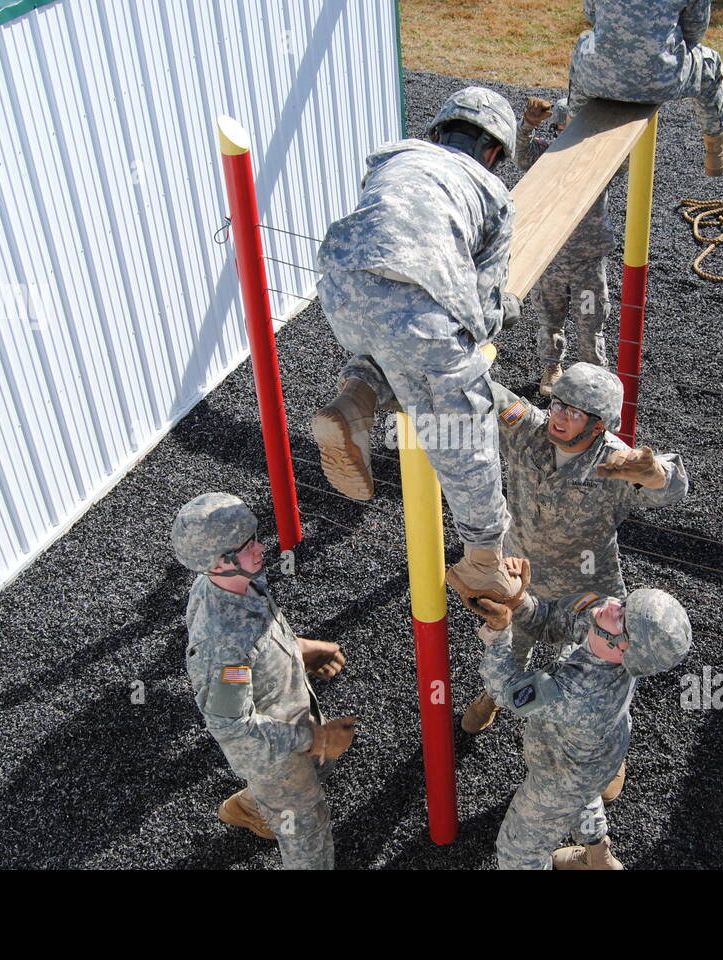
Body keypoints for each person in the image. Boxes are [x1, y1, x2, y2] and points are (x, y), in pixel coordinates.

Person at [311, 86, 526, 603]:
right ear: (494, 152)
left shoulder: (394, 156)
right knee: (463, 431)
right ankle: (483, 563)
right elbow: (484, 306)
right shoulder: (493, 194)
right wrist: (507, 309)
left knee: (388, 344)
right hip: (421, 307)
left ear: (438, 131)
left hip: (341, 287)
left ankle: (356, 401)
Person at [461, 362, 689, 779]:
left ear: (598, 425)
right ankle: (492, 696)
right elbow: (485, 392)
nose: (559, 417)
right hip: (520, 572)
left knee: (600, 673)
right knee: (509, 641)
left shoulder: (615, 464)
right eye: (559, 405)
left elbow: (672, 488)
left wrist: (654, 473)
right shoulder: (529, 431)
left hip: (588, 592)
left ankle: (607, 750)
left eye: (574, 412)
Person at [173, 492, 356, 869]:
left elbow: (261, 641)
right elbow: (233, 725)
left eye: (254, 537)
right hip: (273, 754)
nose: (261, 548)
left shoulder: (238, 579)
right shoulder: (224, 648)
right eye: (246, 546)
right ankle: (268, 805)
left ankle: (254, 806)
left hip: (289, 712)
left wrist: (300, 650)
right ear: (219, 562)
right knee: (308, 833)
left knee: (322, 768)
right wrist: (314, 739)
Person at [471, 559, 692, 869]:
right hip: (598, 755)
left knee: (517, 853)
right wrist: (519, 600)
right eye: (625, 603)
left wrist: (499, 631)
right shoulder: (604, 620)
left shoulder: (583, 697)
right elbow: (551, 620)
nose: (613, 604)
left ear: (625, 649)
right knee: (586, 797)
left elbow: (507, 689)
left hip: (561, 777)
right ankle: (598, 857)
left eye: (623, 616)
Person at [569, 0, 723, 176]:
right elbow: (694, 31)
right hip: (660, 81)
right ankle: (717, 150)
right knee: (709, 64)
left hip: (600, 78)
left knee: (583, 44)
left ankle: (571, 127)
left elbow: (592, 14)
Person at [516, 97, 616, 394]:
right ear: (558, 127)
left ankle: (594, 381)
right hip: (550, 259)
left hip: (587, 261)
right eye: (565, 127)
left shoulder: (600, 158)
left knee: (589, 325)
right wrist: (528, 125)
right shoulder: (546, 156)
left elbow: (623, 156)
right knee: (549, 320)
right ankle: (552, 368)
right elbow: (521, 155)